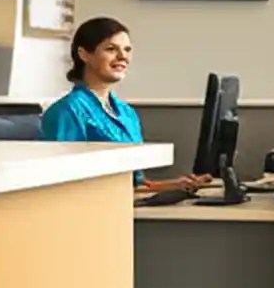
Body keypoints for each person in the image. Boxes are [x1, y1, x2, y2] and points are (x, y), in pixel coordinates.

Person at [40, 16, 210, 192]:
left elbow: (135, 183)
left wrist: (176, 185)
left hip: (123, 206)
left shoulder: (126, 112)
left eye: (127, 50)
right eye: (111, 49)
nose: (123, 57)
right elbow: (62, 183)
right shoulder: (67, 111)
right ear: (84, 54)